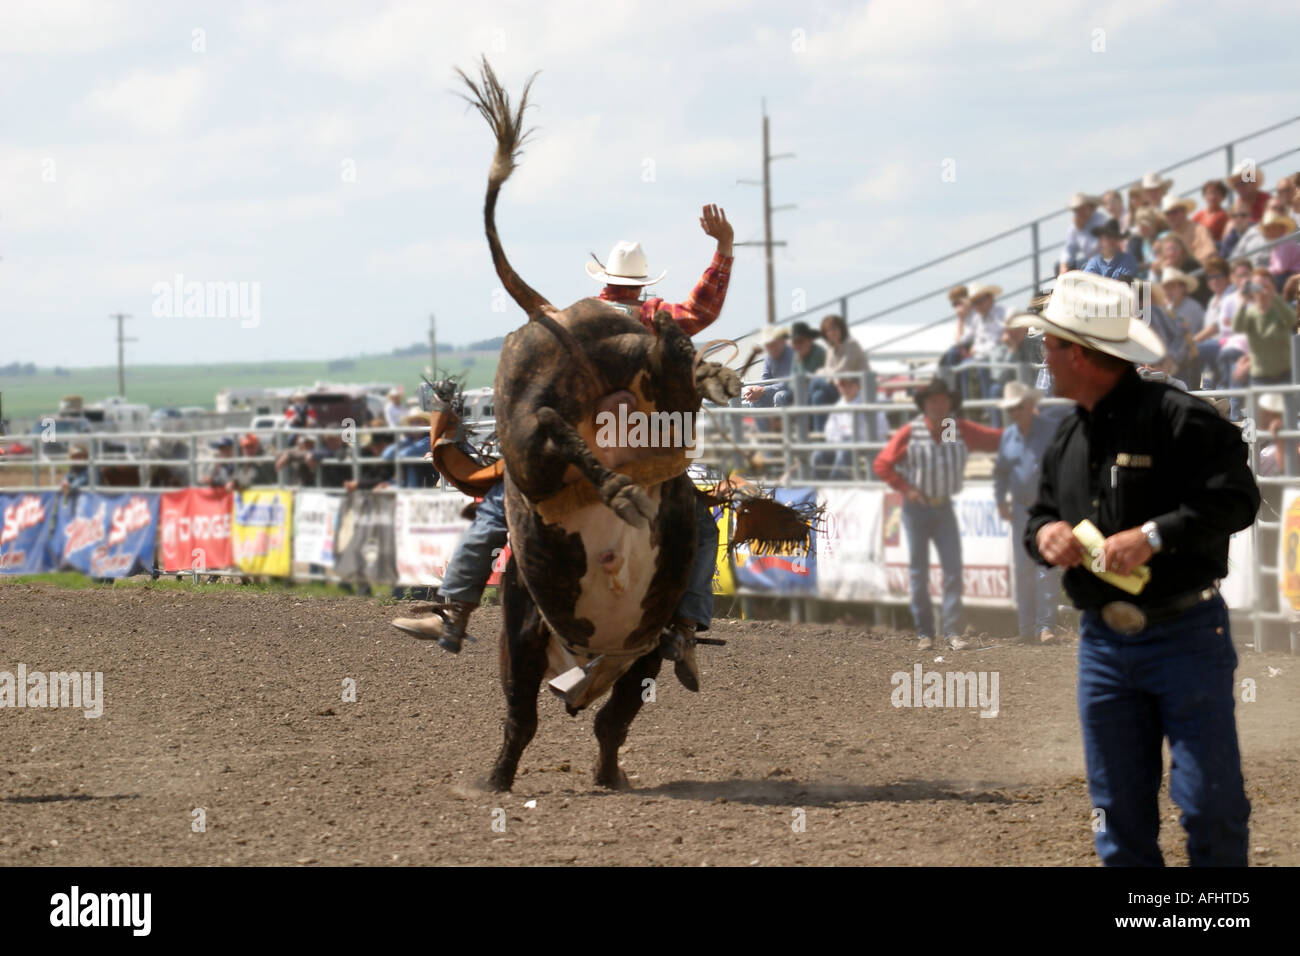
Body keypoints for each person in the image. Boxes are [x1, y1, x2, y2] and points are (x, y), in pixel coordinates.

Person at [395, 205, 736, 693]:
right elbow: (702, 311)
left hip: (570, 459)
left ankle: (453, 611)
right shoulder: (656, 320)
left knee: (498, 513)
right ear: (641, 287)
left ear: (604, 283)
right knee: (702, 531)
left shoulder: (571, 321)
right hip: (640, 460)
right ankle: (685, 626)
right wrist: (723, 250)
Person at [1014, 270, 1257, 866]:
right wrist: (1045, 533)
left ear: (1079, 352)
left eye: (1049, 344)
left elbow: (1238, 498)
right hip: (1103, 643)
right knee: (1117, 811)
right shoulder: (1067, 436)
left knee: (1209, 804)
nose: (1043, 355)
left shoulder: (1179, 417)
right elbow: (1040, 515)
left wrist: (1152, 536)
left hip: (1185, 634)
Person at [873, 377, 1002, 650]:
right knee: (920, 572)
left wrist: (1017, 434)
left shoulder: (951, 428)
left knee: (952, 569)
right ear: (925, 404)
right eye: (933, 400)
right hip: (917, 508)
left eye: (942, 399)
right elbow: (883, 464)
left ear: (948, 402)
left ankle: (950, 631)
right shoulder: (912, 431)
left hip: (942, 505)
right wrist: (906, 489)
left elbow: (991, 440)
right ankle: (925, 633)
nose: (938, 404)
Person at [991, 383, 1063, 644]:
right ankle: (1027, 627)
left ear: (1030, 406)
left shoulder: (1050, 430)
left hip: (1046, 506)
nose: (1014, 412)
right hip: (1021, 508)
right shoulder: (1009, 436)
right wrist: (1001, 500)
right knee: (1023, 567)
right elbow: (1000, 471)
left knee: (1045, 566)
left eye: (1018, 407)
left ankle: (1044, 626)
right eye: (1011, 409)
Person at [1234, 269, 1297, 387]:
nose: (1261, 290)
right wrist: (1244, 301)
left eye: (1265, 285)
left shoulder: (1281, 310)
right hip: (1260, 376)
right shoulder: (1250, 314)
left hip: (1284, 375)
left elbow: (1292, 320)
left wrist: (1274, 296)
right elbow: (1237, 327)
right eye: (1257, 286)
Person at [813, 375, 868, 480]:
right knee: (818, 454)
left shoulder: (866, 403)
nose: (844, 389)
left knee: (844, 452)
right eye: (842, 386)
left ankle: (836, 488)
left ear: (857, 386)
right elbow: (830, 432)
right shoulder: (839, 406)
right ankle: (821, 489)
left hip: (861, 444)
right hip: (841, 444)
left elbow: (876, 430)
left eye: (848, 385)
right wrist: (840, 441)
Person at [742, 326, 794, 425]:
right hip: (778, 391)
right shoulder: (769, 357)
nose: (770, 348)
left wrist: (763, 390)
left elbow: (790, 383)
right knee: (755, 399)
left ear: (782, 342)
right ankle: (766, 436)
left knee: (780, 396)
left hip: (797, 392)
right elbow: (765, 380)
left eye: (773, 344)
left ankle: (786, 432)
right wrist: (754, 391)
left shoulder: (793, 354)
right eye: (768, 345)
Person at [1058, 193, 1107, 275]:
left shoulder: (1101, 220)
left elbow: (1098, 246)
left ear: (1090, 208)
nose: (1080, 212)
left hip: (1103, 258)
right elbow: (1070, 248)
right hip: (1089, 259)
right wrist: (1064, 264)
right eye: (1077, 210)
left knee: (1084, 266)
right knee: (1058, 266)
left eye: (1082, 208)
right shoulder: (1074, 228)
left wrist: (1081, 230)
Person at [1160, 194, 1216, 264]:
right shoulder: (1169, 238)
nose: (1171, 216)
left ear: (1184, 212)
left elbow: (1210, 252)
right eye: (1167, 214)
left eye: (1174, 212)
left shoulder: (1200, 229)